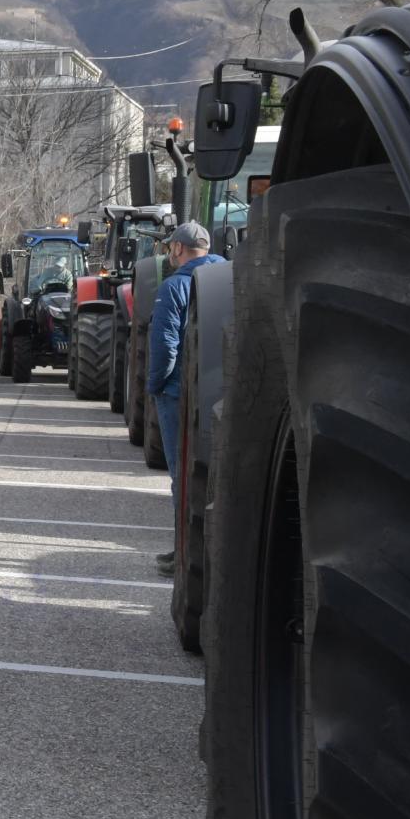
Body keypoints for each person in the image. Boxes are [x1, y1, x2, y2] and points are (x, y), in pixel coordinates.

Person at [148, 221, 225, 577]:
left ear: (177, 249)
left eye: (169, 249)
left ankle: (185, 554)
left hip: (179, 393)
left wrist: (156, 385)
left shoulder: (175, 286)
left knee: (184, 474)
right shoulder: (230, 280)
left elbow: (165, 345)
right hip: (224, 394)